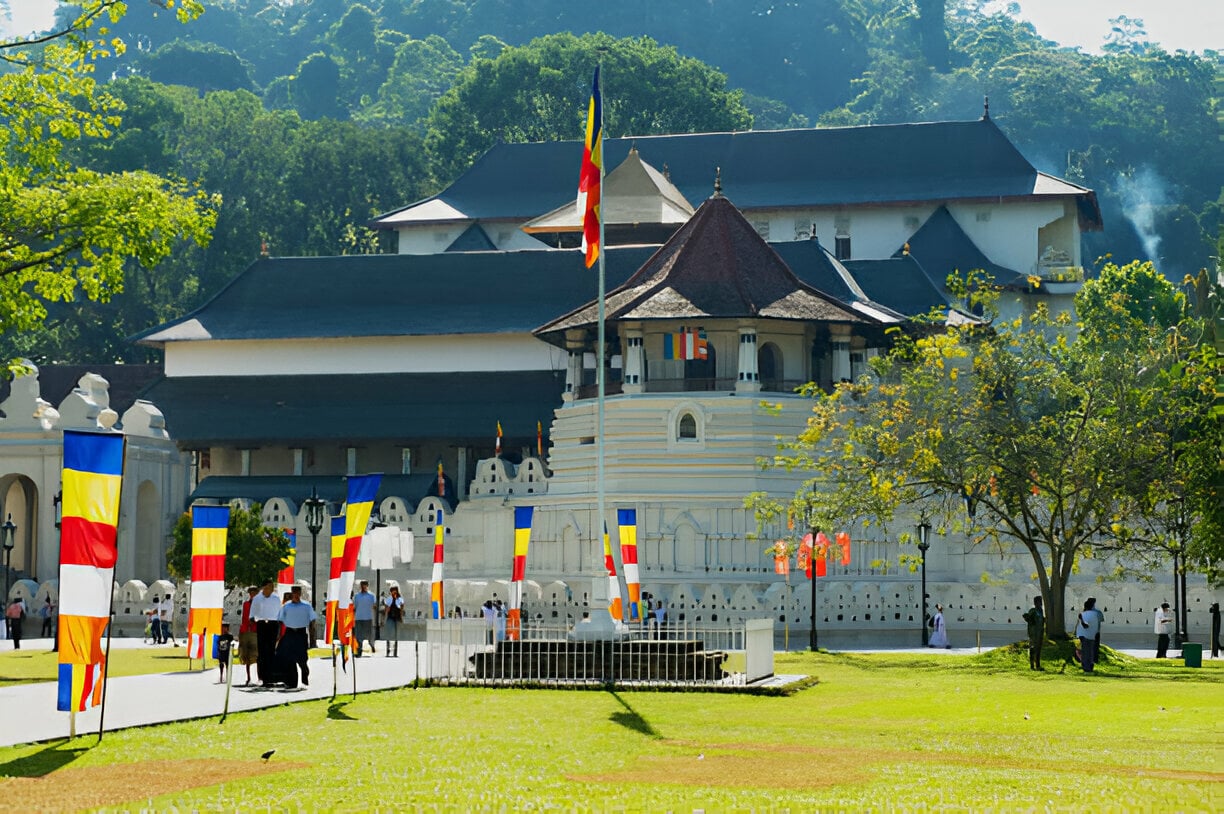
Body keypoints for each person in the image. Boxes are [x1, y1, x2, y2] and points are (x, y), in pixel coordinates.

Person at [276, 585, 318, 689]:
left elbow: (312, 620)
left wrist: (313, 637)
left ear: (300, 593)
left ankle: (305, 671)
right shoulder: (286, 606)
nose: (296, 595)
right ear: (291, 593)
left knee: (302, 658)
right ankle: (292, 682)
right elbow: (280, 620)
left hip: (301, 632)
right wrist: (278, 636)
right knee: (289, 658)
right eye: (294, 593)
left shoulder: (306, 606)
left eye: (298, 593)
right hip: (290, 632)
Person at [250, 579, 283, 687]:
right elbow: (252, 615)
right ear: (264, 587)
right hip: (262, 625)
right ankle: (263, 677)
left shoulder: (276, 598)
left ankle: (271, 676)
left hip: (273, 625)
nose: (272, 589)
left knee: (271, 651)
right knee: (262, 652)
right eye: (269, 587)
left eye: (273, 587)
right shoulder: (257, 599)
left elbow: (279, 614)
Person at [237, 586, 259, 685]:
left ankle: (259, 677)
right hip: (245, 631)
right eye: (251, 593)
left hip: (255, 631)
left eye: (254, 593)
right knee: (245, 655)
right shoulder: (246, 604)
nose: (252, 594)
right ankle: (248, 677)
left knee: (257, 655)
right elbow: (244, 617)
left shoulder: (259, 604)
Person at [1075, 597, 1103, 672]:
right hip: (1091, 635)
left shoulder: (1087, 614)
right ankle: (1089, 665)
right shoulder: (1095, 613)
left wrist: (1081, 619)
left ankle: (1086, 666)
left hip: (1086, 635)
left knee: (1086, 651)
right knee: (1090, 651)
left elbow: (1085, 625)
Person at [352, 580, 377, 657]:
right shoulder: (356, 596)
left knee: (370, 634)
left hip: (368, 618)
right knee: (359, 636)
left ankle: (372, 645)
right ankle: (359, 650)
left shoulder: (372, 596)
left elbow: (374, 606)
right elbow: (354, 607)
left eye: (365, 585)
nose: (364, 587)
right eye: (362, 585)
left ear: (367, 586)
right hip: (359, 618)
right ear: (360, 586)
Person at [1022, 596, 1045, 670]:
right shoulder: (1033, 610)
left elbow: (1041, 620)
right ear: (1035, 603)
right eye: (1039, 601)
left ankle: (1038, 665)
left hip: (1039, 633)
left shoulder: (1040, 611)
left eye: (1041, 601)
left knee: (1038, 649)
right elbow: (1028, 619)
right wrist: (1027, 618)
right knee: (1033, 649)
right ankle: (1032, 666)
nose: (1040, 603)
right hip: (1033, 634)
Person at [383, 585, 404, 657]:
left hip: (397, 618)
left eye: (395, 591)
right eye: (392, 591)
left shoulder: (400, 599)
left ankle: (395, 651)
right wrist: (384, 619)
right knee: (389, 634)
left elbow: (401, 609)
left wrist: (401, 618)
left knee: (396, 635)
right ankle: (388, 650)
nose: (394, 592)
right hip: (390, 617)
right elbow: (386, 610)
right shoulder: (388, 599)